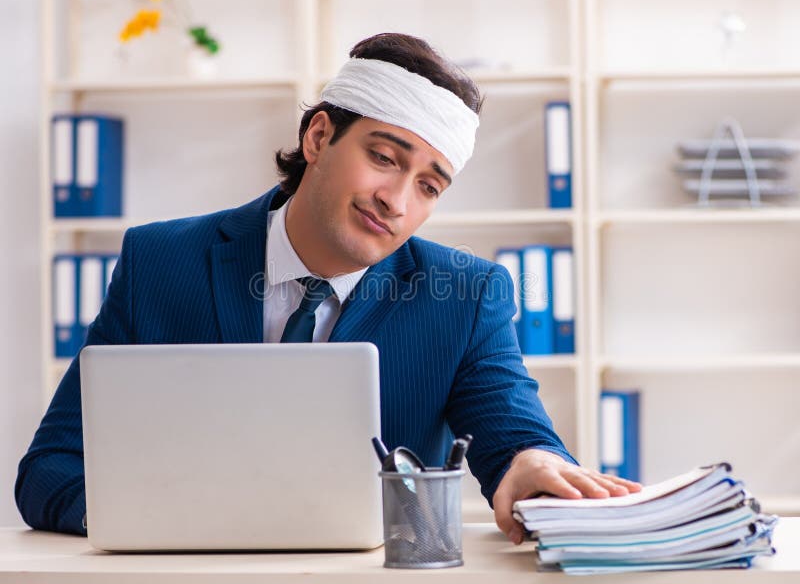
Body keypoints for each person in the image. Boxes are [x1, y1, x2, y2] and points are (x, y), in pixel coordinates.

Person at [16, 33, 640, 545]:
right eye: (385, 157)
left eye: (429, 186)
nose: (394, 201)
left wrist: (529, 464)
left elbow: (513, 434)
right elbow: (48, 471)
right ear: (318, 138)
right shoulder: (160, 262)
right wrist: (151, 519)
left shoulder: (467, 294)